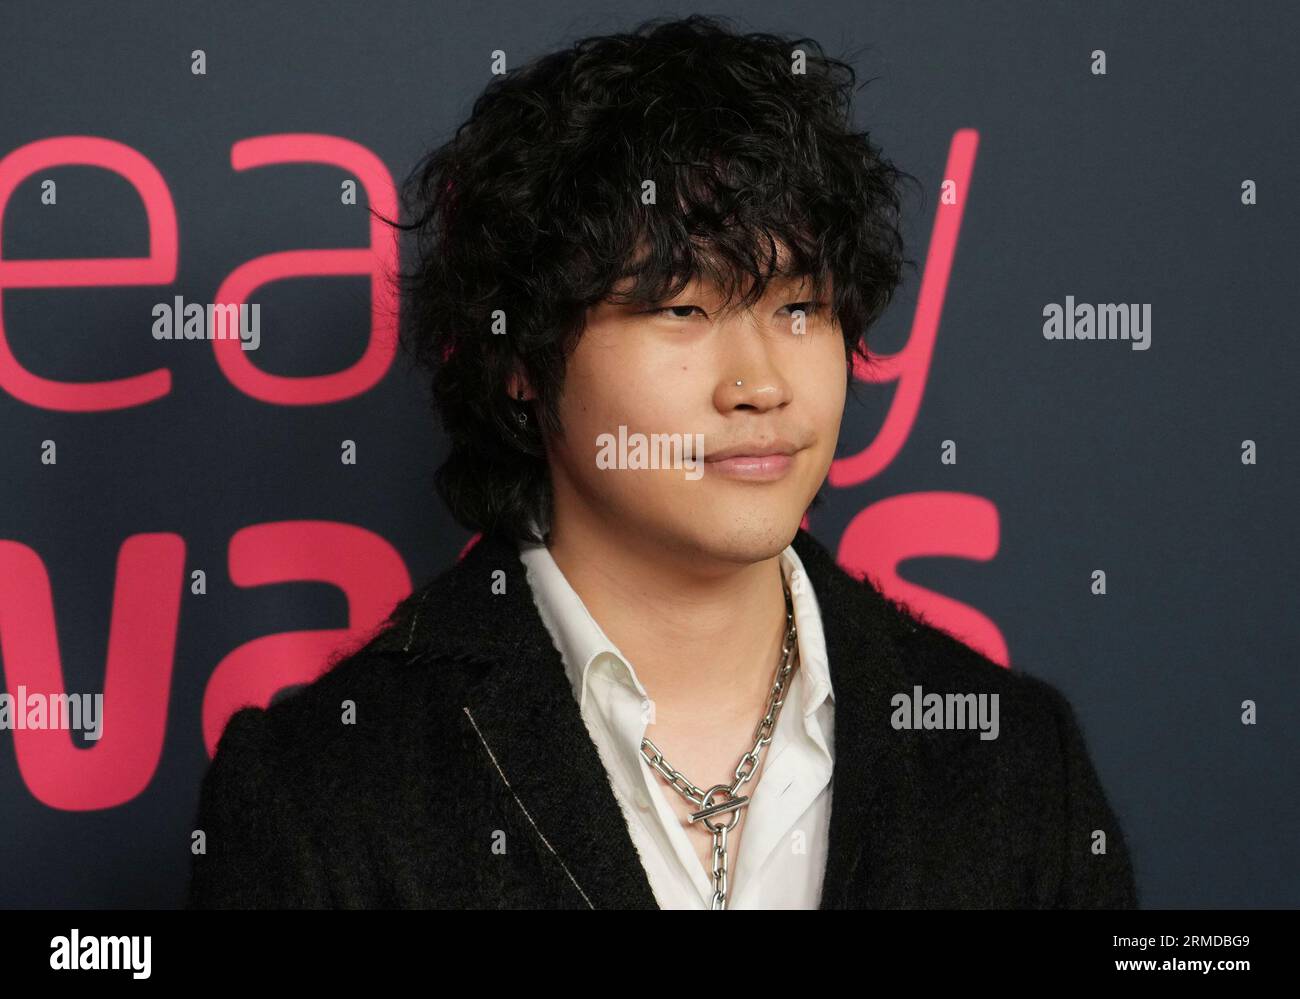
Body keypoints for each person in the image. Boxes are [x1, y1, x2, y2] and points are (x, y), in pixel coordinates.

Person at [186, 14, 1137, 910]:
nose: (760, 384)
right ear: (522, 360)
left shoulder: (1012, 756)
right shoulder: (324, 793)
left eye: (799, 308)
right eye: (682, 309)